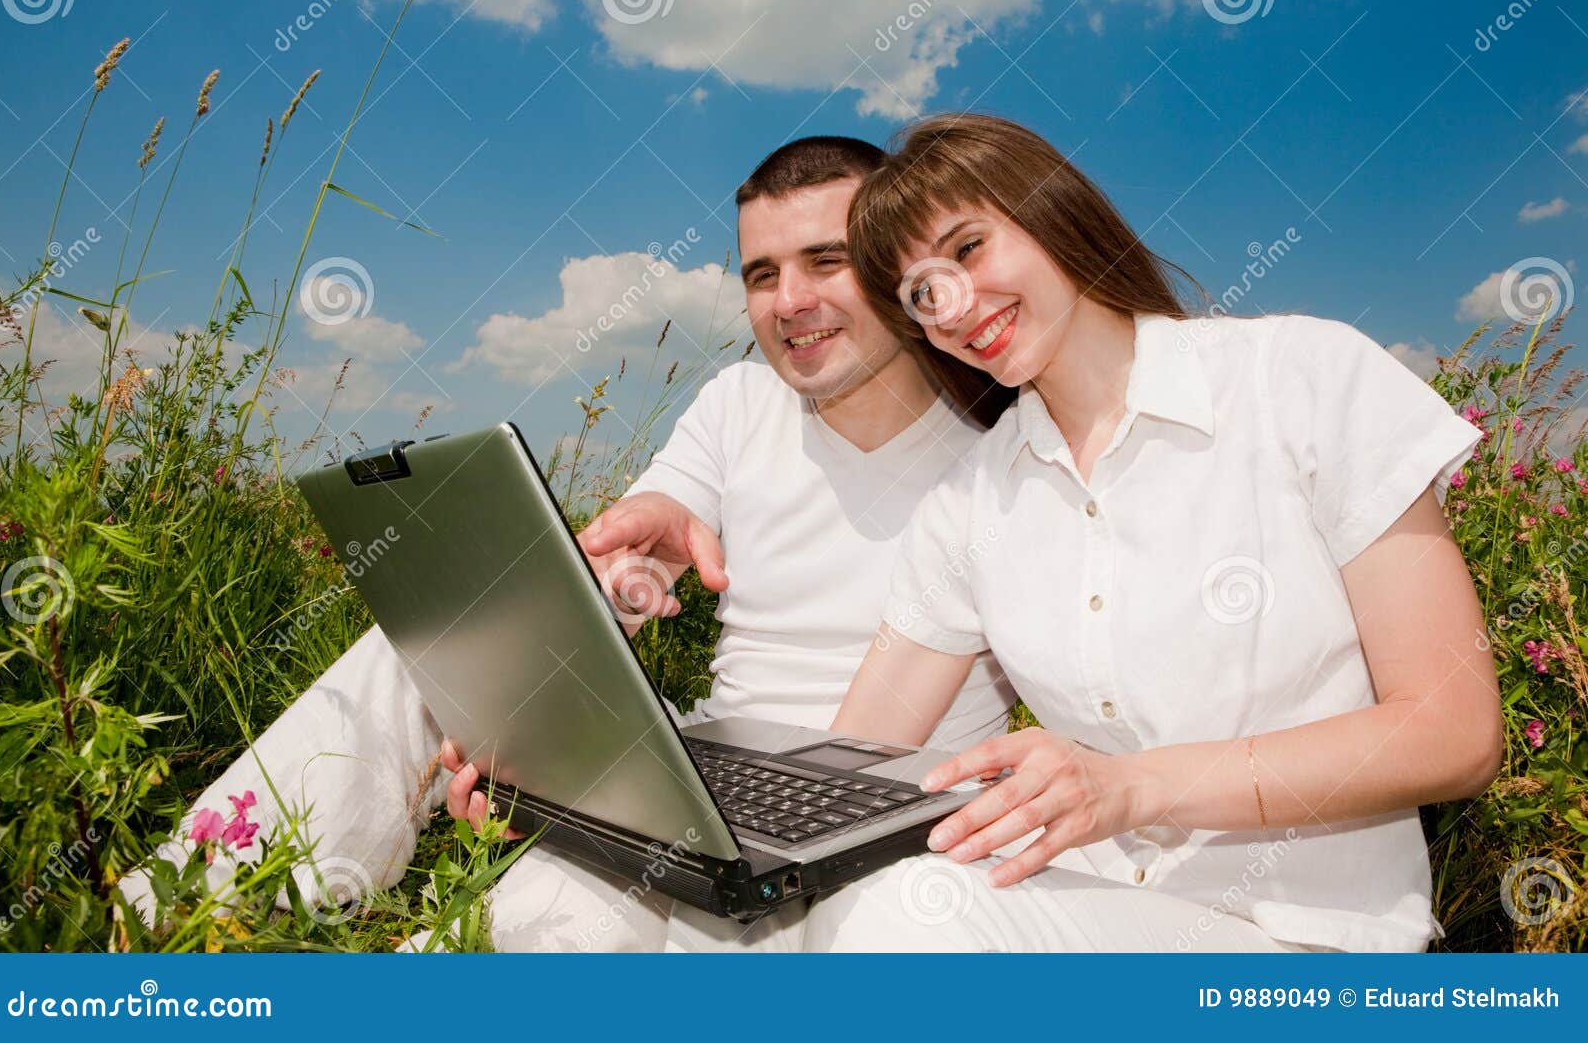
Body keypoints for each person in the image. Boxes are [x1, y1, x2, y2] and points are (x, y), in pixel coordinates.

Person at [122, 136, 1017, 951]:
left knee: (554, 941)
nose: (790, 302)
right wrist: (557, 695)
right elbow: (656, 518)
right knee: (445, 639)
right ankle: (184, 902)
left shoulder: (1003, 448)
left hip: (878, 822)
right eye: (760, 274)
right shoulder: (740, 402)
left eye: (827, 260)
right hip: (697, 776)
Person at [810, 112, 1503, 953]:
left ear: (1050, 209)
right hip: (1090, 916)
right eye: (922, 294)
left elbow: (1453, 730)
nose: (951, 304)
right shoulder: (968, 503)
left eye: (968, 248)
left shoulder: (1301, 377)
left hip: (1304, 939)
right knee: (810, 906)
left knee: (901, 909)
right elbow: (848, 767)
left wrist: (1133, 787)